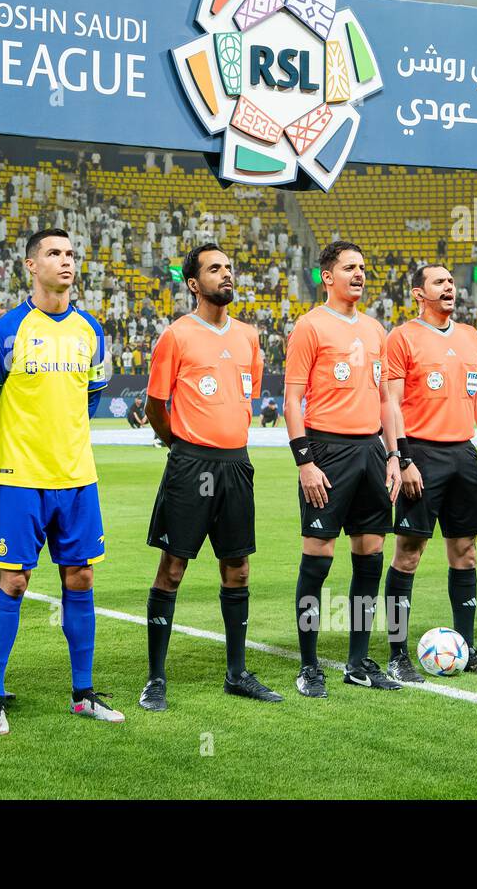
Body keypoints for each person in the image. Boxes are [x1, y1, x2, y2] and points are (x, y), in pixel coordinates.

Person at [0, 227, 123, 733]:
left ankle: (82, 693)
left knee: (81, 578)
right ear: (31, 266)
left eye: (71, 254)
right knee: (13, 579)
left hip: (77, 477)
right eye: (54, 254)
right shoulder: (6, 330)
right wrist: (11, 446)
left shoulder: (92, 332)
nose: (66, 261)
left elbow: (91, 398)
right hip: (21, 479)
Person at [139, 243, 280, 712]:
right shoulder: (176, 336)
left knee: (237, 568)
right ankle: (156, 679)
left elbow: (249, 396)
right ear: (194, 284)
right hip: (191, 464)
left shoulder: (249, 337)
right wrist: (177, 442)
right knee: (173, 568)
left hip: (236, 464)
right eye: (215, 268)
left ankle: (237, 673)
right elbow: (156, 404)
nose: (227, 274)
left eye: (230, 267)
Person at [283, 240, 402, 698]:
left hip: (371, 452)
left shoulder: (376, 330)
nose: (359, 274)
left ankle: (357, 661)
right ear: (326, 277)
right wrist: (305, 461)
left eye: (363, 267)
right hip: (326, 452)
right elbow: (293, 400)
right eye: (350, 267)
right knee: (319, 556)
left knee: (370, 553)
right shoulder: (310, 327)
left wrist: (393, 456)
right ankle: (310, 665)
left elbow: (387, 400)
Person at [383, 264, 477, 679]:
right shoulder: (402, 337)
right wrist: (403, 458)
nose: (450, 287)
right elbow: (393, 404)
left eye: (452, 282)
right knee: (409, 553)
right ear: (419, 294)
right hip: (420, 453)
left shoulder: (471, 337)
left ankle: (467, 648)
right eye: (440, 282)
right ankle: (397, 654)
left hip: (463, 455)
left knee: (466, 552)